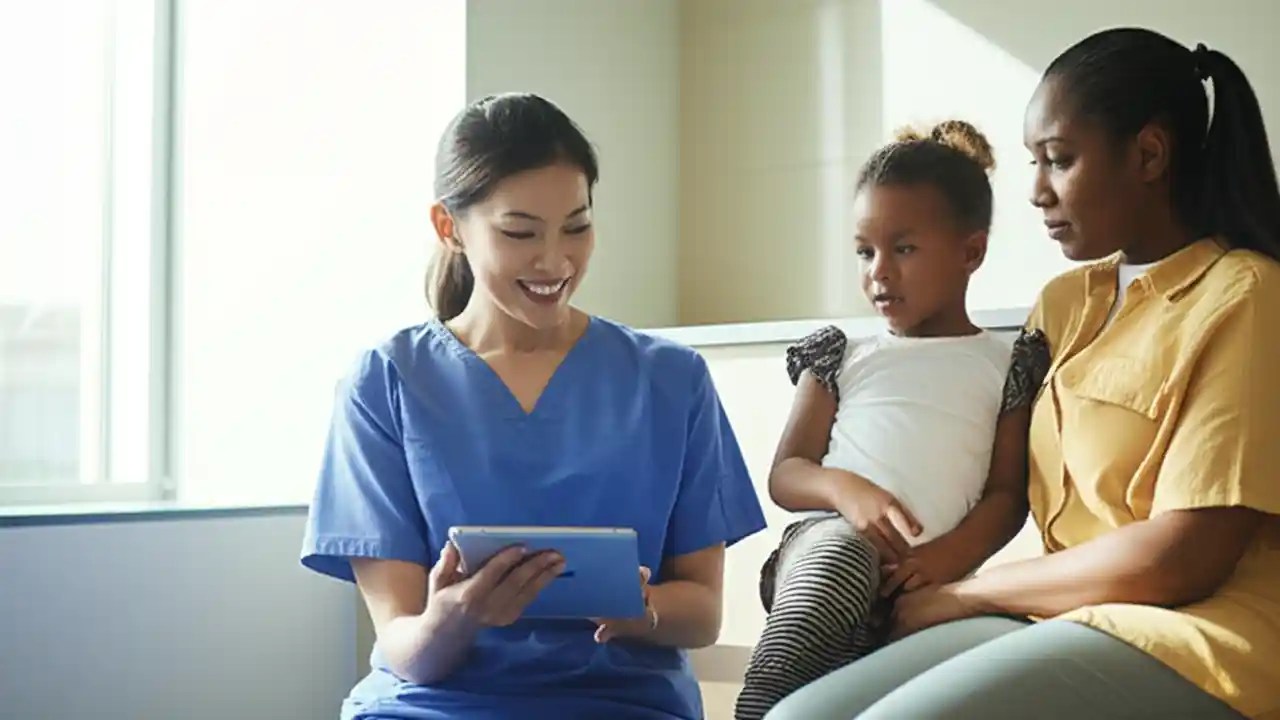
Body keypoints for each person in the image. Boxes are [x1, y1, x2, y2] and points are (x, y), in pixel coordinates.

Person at [765, 27, 1280, 720]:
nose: (1035, 191)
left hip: (1196, 637)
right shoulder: (1064, 305)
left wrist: (966, 593)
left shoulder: (1246, 296)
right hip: (1055, 617)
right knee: (798, 715)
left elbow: (1186, 556)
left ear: (1150, 154)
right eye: (1033, 161)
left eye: (1059, 160)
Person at [299, 92, 767, 720]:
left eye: (577, 226)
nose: (556, 261)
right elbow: (404, 645)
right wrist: (454, 618)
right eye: (520, 233)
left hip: (619, 704)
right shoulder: (386, 382)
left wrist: (640, 609)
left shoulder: (670, 379)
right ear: (449, 228)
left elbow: (703, 613)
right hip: (433, 705)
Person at [734, 121, 1043, 720]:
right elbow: (787, 473)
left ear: (970, 252)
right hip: (824, 554)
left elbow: (1007, 497)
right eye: (864, 251)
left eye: (903, 249)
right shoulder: (843, 357)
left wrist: (943, 565)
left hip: (924, 582)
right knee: (844, 555)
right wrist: (846, 491)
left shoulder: (1007, 364)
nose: (878, 271)